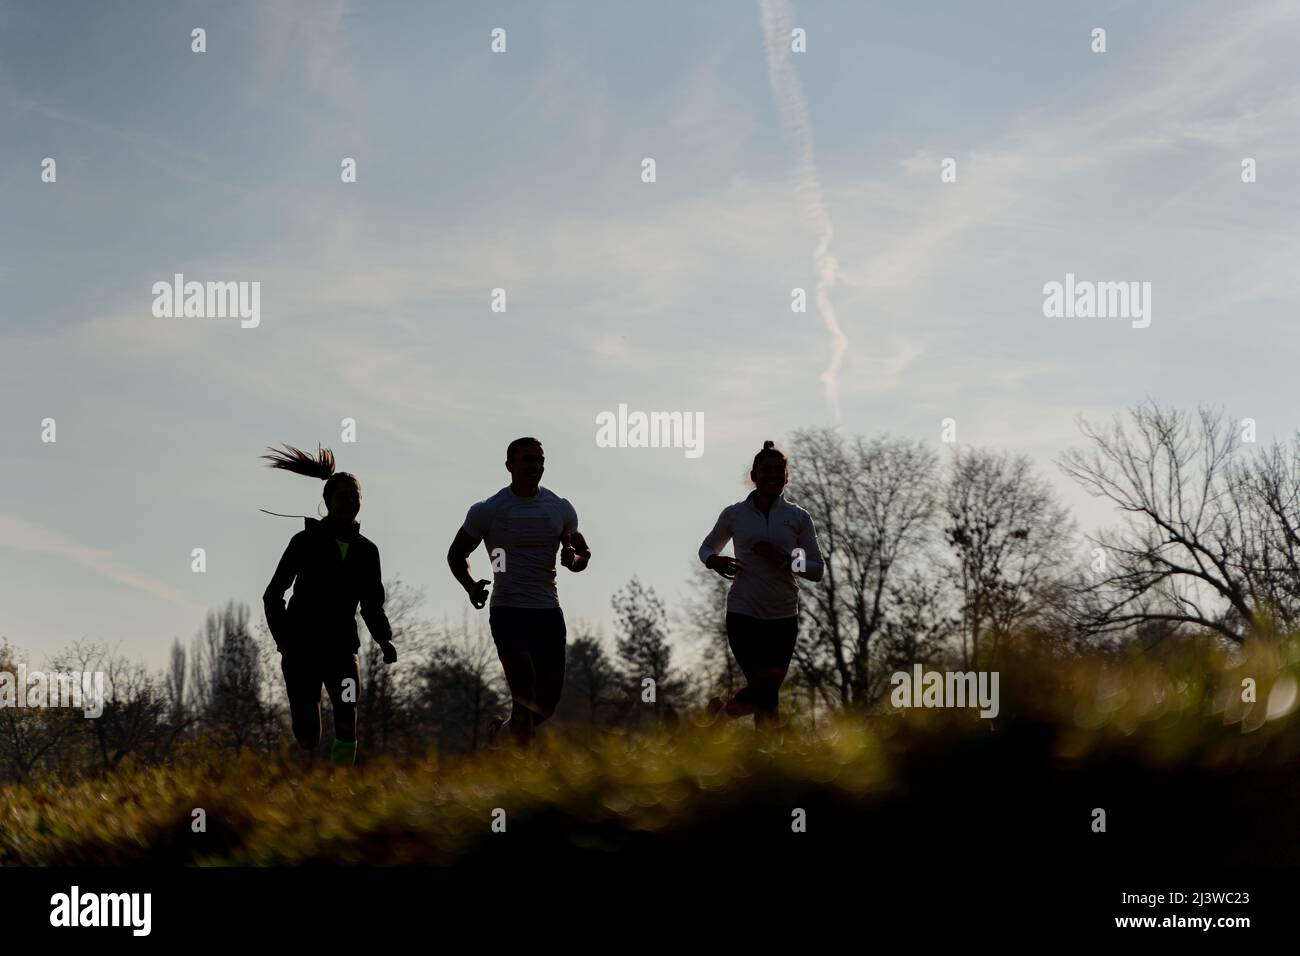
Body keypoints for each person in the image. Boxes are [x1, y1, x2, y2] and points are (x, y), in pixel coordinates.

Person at [447, 437, 590, 747]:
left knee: (546, 706)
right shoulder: (489, 511)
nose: (534, 466)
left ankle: (500, 734)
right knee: (524, 695)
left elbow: (584, 554)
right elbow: (456, 555)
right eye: (527, 460)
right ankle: (522, 779)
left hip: (548, 613)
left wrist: (573, 560)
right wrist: (471, 587)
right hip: (508, 611)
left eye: (539, 460)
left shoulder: (559, 508)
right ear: (510, 466)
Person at [261, 443, 396, 766]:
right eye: (343, 497)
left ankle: (340, 787)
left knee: (348, 714)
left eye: (355, 497)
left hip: (342, 648)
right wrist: (284, 640)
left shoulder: (367, 550)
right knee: (309, 735)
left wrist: (383, 638)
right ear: (328, 502)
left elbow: (372, 603)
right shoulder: (305, 542)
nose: (350, 502)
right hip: (302, 650)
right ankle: (306, 787)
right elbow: (273, 594)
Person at [699, 440, 823, 729]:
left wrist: (783, 559)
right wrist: (714, 562)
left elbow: (817, 570)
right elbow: (706, 547)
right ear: (753, 476)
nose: (773, 475)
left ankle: (722, 719)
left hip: (782, 616)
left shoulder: (798, 517)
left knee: (767, 692)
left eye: (779, 470)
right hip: (744, 613)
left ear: (786, 477)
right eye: (765, 470)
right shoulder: (735, 515)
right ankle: (770, 758)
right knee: (764, 687)